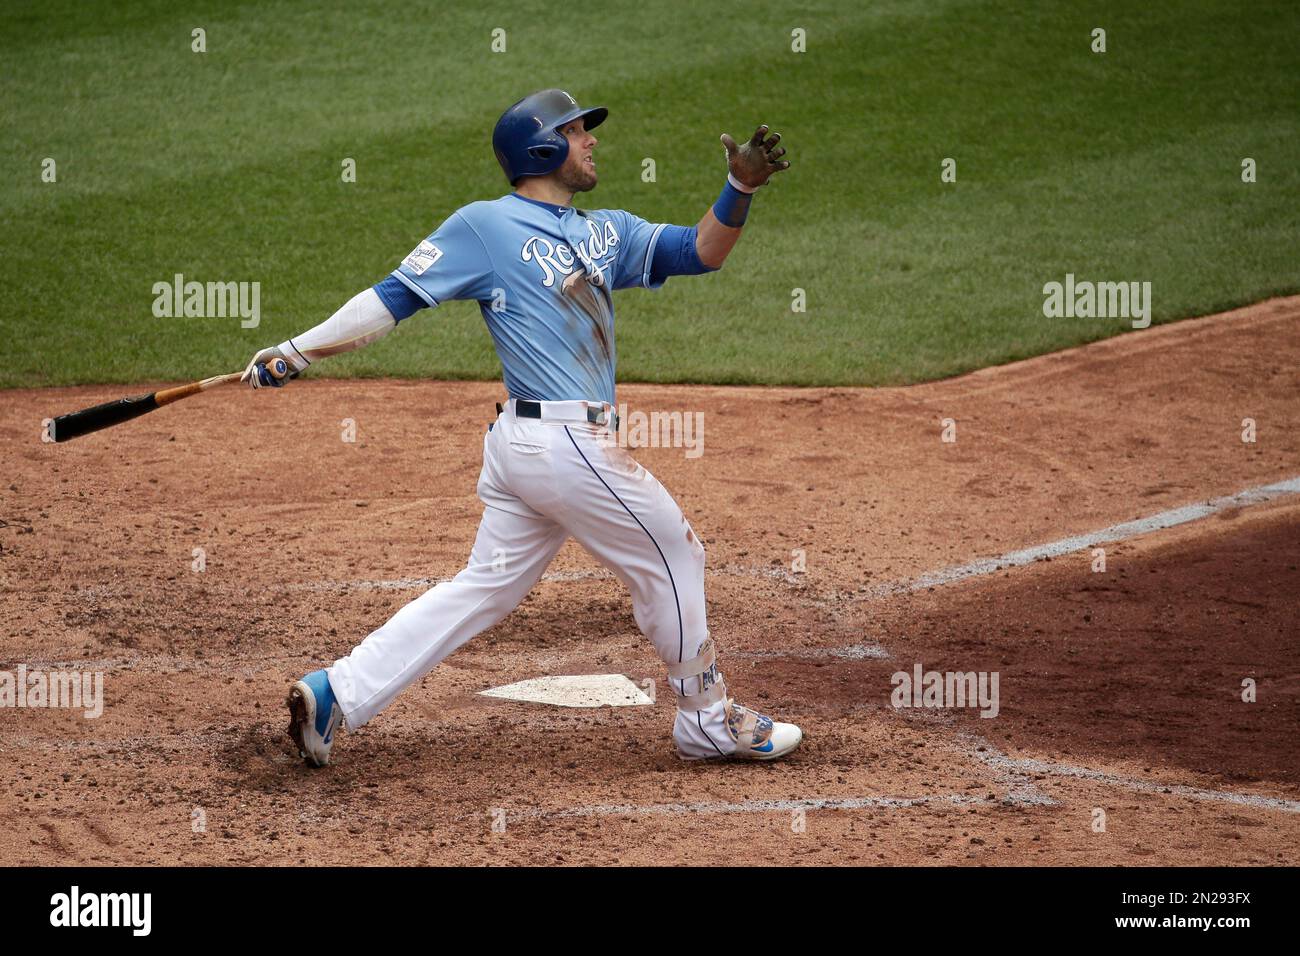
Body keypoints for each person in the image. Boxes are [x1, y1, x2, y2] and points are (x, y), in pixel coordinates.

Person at [242, 89, 800, 766]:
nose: (591, 141)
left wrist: (740, 186)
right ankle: (707, 718)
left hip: (532, 450)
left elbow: (700, 252)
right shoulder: (486, 227)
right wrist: (297, 350)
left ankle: (337, 693)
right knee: (675, 555)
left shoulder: (607, 231)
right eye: (575, 131)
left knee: (487, 585)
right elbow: (389, 301)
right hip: (562, 444)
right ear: (540, 147)